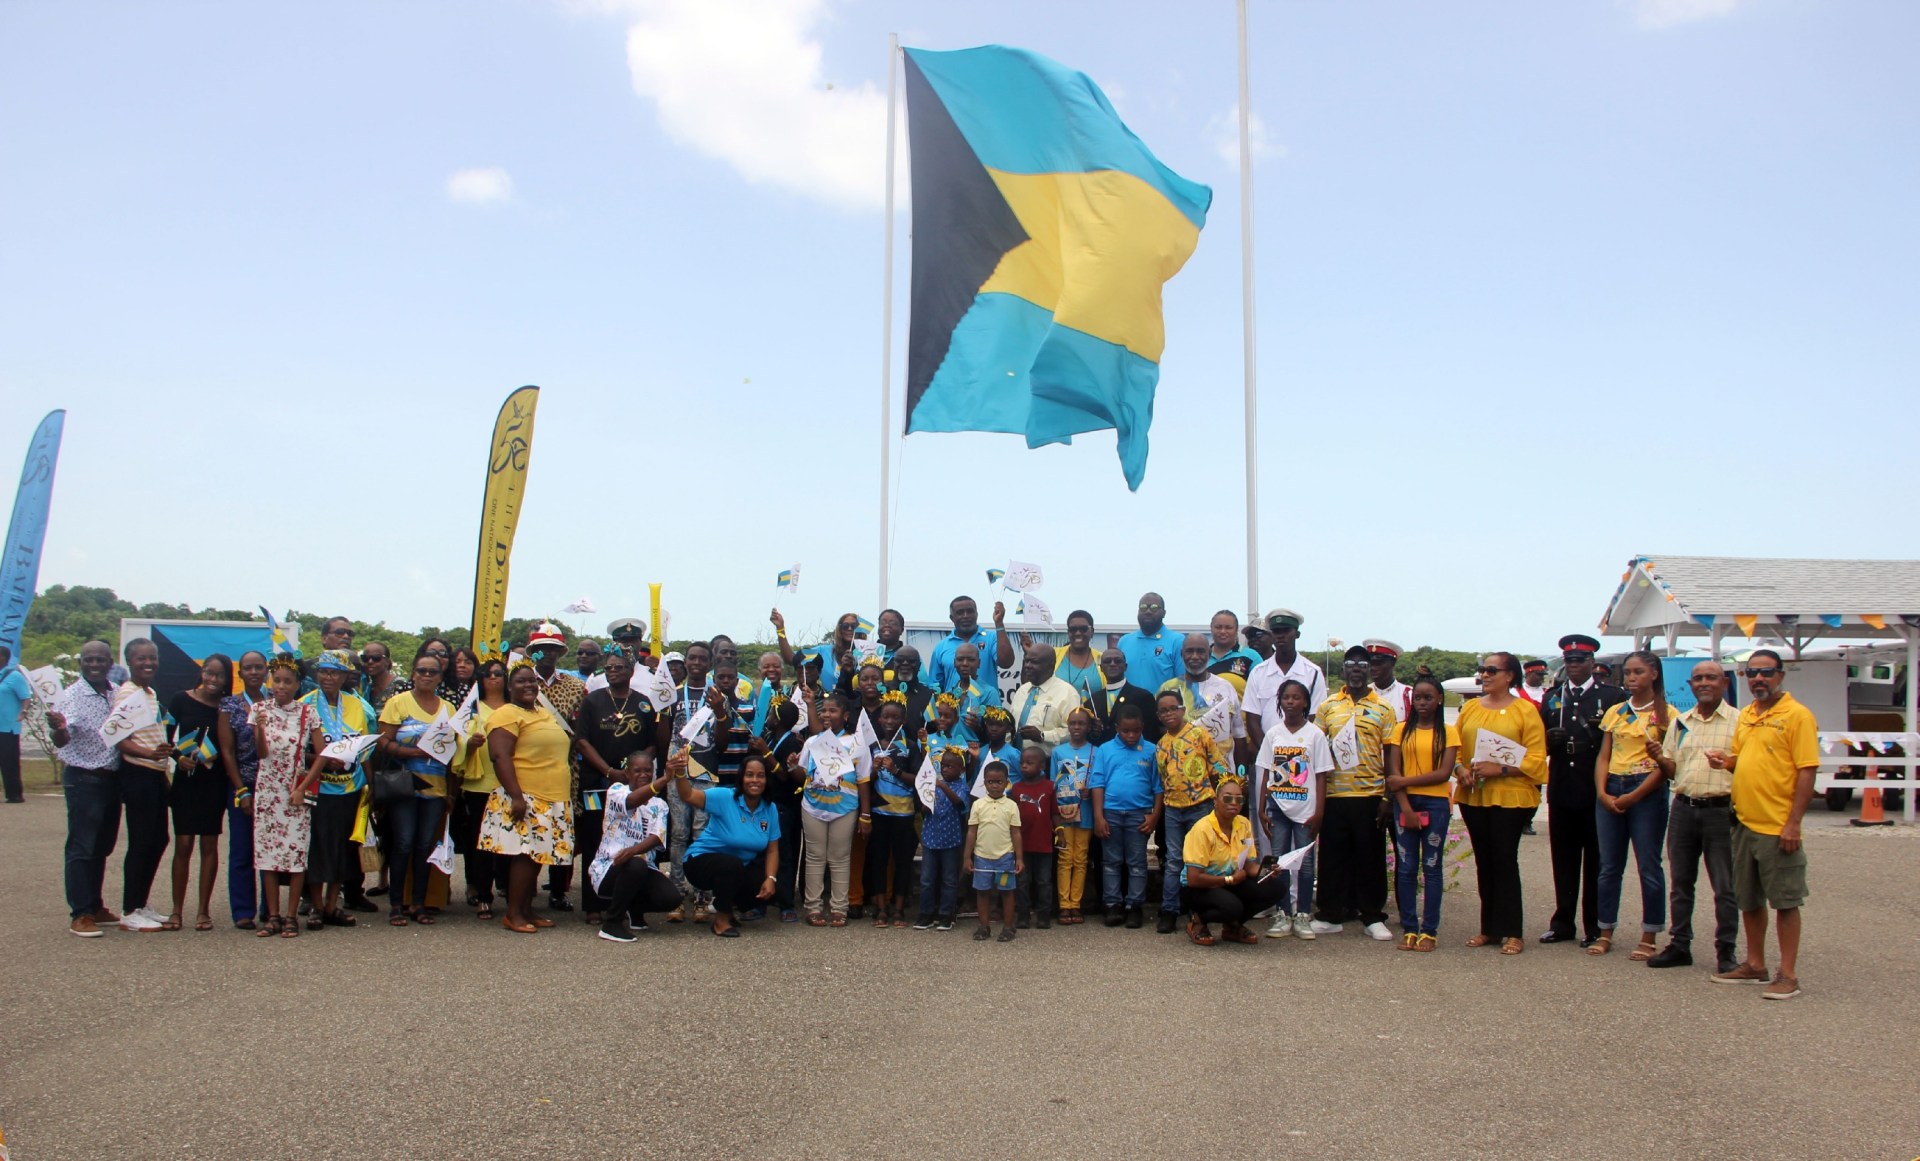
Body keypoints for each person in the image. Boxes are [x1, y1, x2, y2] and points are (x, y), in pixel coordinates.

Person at [1707, 649, 1817, 1000]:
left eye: (1766, 673)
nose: (1758, 679)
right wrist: (1725, 762)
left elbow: (1806, 770)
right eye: (1752, 673)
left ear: (1781, 675)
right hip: (1744, 824)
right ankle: (1755, 964)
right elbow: (1743, 759)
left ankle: (1788, 974)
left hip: (1777, 826)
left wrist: (1793, 824)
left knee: (1785, 902)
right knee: (1748, 899)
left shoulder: (1797, 716)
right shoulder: (1749, 715)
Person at [1647, 660, 1740, 973]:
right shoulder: (1681, 722)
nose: (1704, 683)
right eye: (1698, 678)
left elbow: (1748, 767)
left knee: (1725, 886)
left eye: (1711, 678)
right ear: (1689, 685)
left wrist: (1728, 763)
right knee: (1681, 883)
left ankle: (1726, 951)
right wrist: (1659, 758)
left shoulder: (1739, 722)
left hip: (1720, 811)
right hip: (1684, 808)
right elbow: (1674, 769)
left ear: (1724, 683)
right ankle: (1680, 944)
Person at [1455, 652, 1548, 955]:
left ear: (1510, 676)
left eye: (1492, 670)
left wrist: (1501, 768)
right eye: (1482, 670)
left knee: (1504, 859)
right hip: (1475, 796)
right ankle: (1489, 928)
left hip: (1510, 796)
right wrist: (1461, 770)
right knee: (1484, 860)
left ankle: (1512, 930)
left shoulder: (1525, 710)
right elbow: (1455, 750)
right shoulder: (1469, 708)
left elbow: (1536, 758)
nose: (1485, 675)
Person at [1539, 633, 1625, 947]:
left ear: (1592, 663)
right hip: (1562, 786)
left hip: (1594, 788)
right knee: (1563, 859)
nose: (1573, 666)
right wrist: (1550, 739)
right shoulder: (1553, 697)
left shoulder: (1613, 696)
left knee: (1596, 861)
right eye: (1569, 661)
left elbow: (1620, 743)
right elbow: (1537, 742)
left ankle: (1593, 925)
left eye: (1580, 660)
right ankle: (1563, 922)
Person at [481, 661, 578, 934]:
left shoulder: (541, 711)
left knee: (537, 856)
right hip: (526, 794)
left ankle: (526, 909)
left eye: (532, 681)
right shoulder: (506, 714)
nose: (528, 686)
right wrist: (516, 796)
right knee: (524, 856)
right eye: (521, 681)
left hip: (552, 796)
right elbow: (499, 757)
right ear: (509, 686)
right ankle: (514, 914)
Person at [1591, 649, 1675, 960]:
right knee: (1609, 866)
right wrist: (1602, 792)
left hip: (1646, 791)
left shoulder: (1668, 717)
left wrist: (1633, 797)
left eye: (1638, 672)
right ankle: (1605, 931)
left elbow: (1667, 767)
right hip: (1612, 785)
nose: (1631, 678)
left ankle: (1650, 933)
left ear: (1654, 674)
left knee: (1648, 865)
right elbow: (1604, 755)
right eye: (1627, 672)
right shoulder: (1616, 712)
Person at [1312, 646, 1398, 941]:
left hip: (1370, 794)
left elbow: (1391, 755)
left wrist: (1388, 796)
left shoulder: (1384, 708)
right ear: (1344, 669)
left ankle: (1372, 915)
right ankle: (1331, 913)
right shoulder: (1328, 706)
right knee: (1333, 856)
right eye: (1351, 663)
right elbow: (1316, 748)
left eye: (1363, 663)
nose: (1357, 668)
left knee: (1370, 856)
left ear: (1370, 669)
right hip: (1335, 793)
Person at [573, 647, 659, 925]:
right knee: (595, 839)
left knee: (631, 841)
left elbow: (653, 743)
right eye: (608, 668)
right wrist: (610, 771)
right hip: (597, 783)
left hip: (634, 788)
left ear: (631, 672)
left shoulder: (644, 703)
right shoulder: (593, 701)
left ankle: (630, 904)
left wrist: (635, 772)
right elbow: (582, 741)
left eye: (618, 667)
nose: (612, 671)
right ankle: (593, 904)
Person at [49, 640, 125, 936]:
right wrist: (58, 728)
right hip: (84, 780)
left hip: (111, 780)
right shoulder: (71, 697)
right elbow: (61, 739)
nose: (94, 665)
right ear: (81, 662)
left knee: (102, 847)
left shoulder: (117, 693)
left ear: (110, 663)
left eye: (100, 660)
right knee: (81, 846)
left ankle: (95, 905)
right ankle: (80, 913)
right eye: (88, 660)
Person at [301, 649, 378, 929]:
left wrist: (371, 785)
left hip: (351, 787)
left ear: (345, 676)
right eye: (323, 671)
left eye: (334, 672)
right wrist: (321, 760)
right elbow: (296, 752)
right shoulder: (305, 704)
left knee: (344, 849)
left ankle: (333, 905)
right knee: (318, 848)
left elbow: (366, 748)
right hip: (320, 790)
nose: (328, 677)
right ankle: (316, 907)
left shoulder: (358, 706)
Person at [375, 652, 454, 926]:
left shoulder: (449, 708)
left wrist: (452, 793)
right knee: (404, 843)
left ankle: (419, 903)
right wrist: (413, 753)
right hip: (405, 785)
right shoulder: (397, 703)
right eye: (422, 670)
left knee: (424, 845)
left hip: (436, 786)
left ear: (441, 677)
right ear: (413, 674)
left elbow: (453, 751)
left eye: (433, 672)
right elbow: (382, 742)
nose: (427, 676)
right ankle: (397, 904)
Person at [1384, 675, 1459, 951]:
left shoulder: (1448, 732)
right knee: (1406, 868)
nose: (1422, 703)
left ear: (1439, 699)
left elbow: (1444, 773)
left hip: (1436, 804)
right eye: (1418, 698)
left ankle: (1429, 931)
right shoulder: (1400, 731)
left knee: (1431, 868)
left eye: (1428, 697)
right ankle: (1409, 928)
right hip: (1405, 804)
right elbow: (1394, 772)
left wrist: (1403, 782)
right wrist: (1404, 804)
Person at [1253, 679, 1333, 940]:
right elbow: (1264, 772)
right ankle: (1282, 913)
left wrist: (1320, 811)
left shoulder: (1315, 734)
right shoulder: (1274, 734)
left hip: (1306, 811)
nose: (1290, 702)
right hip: (1277, 808)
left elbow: (1321, 776)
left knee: (1306, 864)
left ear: (1306, 702)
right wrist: (1263, 808)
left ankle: (1302, 915)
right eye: (1286, 697)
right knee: (1279, 862)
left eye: (1296, 697)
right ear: (1280, 701)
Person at [249, 654, 319, 937]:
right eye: (276, 680)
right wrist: (261, 730)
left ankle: (291, 917)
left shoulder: (307, 713)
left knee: (296, 855)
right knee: (267, 855)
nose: (281, 686)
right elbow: (261, 754)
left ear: (297, 684)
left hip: (294, 792)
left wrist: (304, 787)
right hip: (267, 790)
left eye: (287, 681)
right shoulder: (258, 709)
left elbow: (321, 754)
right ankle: (273, 916)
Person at [677, 751, 783, 938]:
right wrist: (679, 773)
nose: (755, 780)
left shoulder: (770, 808)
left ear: (767, 779)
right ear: (741, 777)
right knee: (731, 865)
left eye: (760, 775)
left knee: (764, 880)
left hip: (734, 868)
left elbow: (772, 850)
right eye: (749, 775)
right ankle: (721, 920)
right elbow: (688, 796)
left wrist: (771, 879)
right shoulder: (725, 797)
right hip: (699, 862)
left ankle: (731, 909)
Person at [1153, 687, 1232, 934]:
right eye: (1163, 711)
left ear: (1182, 710)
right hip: (1174, 810)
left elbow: (1217, 766)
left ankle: (1197, 911)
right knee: (1173, 860)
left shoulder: (1199, 734)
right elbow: (1164, 779)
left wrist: (1226, 795)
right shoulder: (1161, 745)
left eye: (1173, 709)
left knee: (1198, 861)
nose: (1169, 714)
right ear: (1159, 715)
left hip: (1201, 807)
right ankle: (1169, 910)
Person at [166, 654, 233, 933]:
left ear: (228, 679)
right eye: (209, 673)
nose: (213, 679)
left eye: (219, 675)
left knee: (209, 845)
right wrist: (178, 756)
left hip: (213, 782)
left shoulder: (227, 707)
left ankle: (203, 911)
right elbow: (165, 735)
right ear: (201, 672)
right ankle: (176, 910)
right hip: (186, 780)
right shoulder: (180, 700)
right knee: (182, 845)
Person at [111, 638, 174, 931]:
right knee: (141, 842)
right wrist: (149, 754)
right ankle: (129, 909)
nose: (148, 663)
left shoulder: (148, 692)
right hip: (137, 773)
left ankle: (141, 903)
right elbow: (119, 739)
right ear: (129, 662)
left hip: (155, 773)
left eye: (152, 658)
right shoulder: (128, 693)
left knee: (159, 839)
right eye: (141, 659)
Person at [798, 689, 872, 926]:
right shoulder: (812, 741)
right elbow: (802, 772)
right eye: (824, 711)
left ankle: (839, 908)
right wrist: (792, 767)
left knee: (840, 857)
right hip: (812, 806)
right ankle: (813, 907)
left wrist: (866, 815)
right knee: (814, 857)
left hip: (845, 807)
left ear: (846, 715)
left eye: (833, 710)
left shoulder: (856, 743)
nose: (827, 714)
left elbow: (863, 781)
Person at [1179, 778, 1284, 946]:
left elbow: (1248, 865)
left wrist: (1266, 872)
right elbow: (1193, 878)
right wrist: (1229, 880)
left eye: (1239, 799)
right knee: (1232, 907)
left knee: (1276, 888)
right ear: (1216, 801)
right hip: (1200, 887)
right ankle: (1198, 920)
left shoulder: (1243, 824)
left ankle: (1232, 926)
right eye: (1228, 798)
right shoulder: (1202, 829)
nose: (1234, 803)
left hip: (1231, 881)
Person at [587, 752, 677, 942]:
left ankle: (635, 911)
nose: (643, 774)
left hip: (641, 867)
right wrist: (665, 779)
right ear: (627, 773)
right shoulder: (616, 791)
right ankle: (611, 924)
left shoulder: (659, 804)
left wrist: (634, 850)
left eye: (648, 770)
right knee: (635, 865)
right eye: (637, 771)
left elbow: (656, 837)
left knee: (671, 898)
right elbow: (632, 801)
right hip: (608, 869)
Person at [1091, 704, 1162, 928]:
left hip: (1138, 815)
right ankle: (1113, 905)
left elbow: (1159, 788)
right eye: (1125, 731)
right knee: (1111, 862)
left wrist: (1154, 817)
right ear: (1116, 728)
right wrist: (1098, 816)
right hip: (1111, 813)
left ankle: (1134, 906)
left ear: (1142, 728)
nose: (1131, 736)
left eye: (1136, 731)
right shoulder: (1105, 750)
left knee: (1137, 863)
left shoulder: (1152, 750)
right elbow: (1097, 783)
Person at [662, 640, 718, 921]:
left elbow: (722, 739)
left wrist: (720, 710)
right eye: (691, 659)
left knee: (702, 834)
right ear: (685, 662)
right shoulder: (672, 694)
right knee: (679, 834)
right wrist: (667, 768)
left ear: (709, 664)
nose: (696, 663)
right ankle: (675, 896)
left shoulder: (716, 694)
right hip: (678, 773)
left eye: (701, 659)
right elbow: (663, 733)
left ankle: (701, 896)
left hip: (707, 774)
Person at [451, 657, 508, 920]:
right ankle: (483, 895)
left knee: (508, 840)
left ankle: (508, 888)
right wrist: (470, 744)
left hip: (510, 784)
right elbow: (458, 741)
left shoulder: (514, 706)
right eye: (488, 673)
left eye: (498, 673)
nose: (494, 677)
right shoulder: (472, 708)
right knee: (481, 842)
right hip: (480, 783)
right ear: (480, 679)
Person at [217, 650, 269, 929]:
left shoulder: (277, 700)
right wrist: (240, 790)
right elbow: (227, 751)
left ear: (266, 670)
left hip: (272, 786)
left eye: (258, 667)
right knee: (242, 848)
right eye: (248, 668)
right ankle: (243, 911)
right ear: (240, 673)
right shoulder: (230, 705)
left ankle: (268, 907)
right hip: (242, 784)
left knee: (268, 848)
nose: (253, 672)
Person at [863, 694, 920, 927]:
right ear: (878, 719)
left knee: (903, 862)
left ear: (903, 721)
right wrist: (874, 770)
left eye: (895, 717)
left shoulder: (911, 747)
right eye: (885, 716)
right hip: (879, 814)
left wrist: (895, 770)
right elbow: (864, 781)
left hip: (904, 814)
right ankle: (880, 908)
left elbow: (917, 780)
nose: (890, 721)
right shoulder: (872, 747)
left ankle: (898, 909)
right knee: (878, 861)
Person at [1242, 609, 1328, 758]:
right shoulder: (1258, 673)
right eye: (1276, 631)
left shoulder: (1313, 673)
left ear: (1297, 634)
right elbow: (1252, 720)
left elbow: (1316, 718)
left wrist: (1295, 753)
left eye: (1286, 630)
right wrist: (1271, 753)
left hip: (1303, 757)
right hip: (1266, 757)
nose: (1281, 635)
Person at [1160, 632, 1247, 771]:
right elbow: (1160, 732)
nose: (1195, 656)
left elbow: (1239, 734)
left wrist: (1243, 773)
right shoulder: (1168, 688)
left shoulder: (1225, 687)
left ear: (1209, 653)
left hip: (1221, 773)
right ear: (1182, 654)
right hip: (1181, 775)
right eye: (1189, 651)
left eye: (1200, 651)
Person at [913, 743, 971, 931]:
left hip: (951, 841)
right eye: (943, 766)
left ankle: (947, 914)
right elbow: (923, 810)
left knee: (949, 879)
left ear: (961, 769)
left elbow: (959, 803)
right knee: (927, 879)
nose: (945, 769)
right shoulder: (934, 784)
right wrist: (925, 801)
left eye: (950, 766)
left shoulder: (961, 786)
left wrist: (942, 787)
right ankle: (926, 913)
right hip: (930, 839)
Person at [964, 760, 1024, 942]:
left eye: (999, 782)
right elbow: (972, 831)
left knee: (1007, 892)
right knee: (982, 892)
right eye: (990, 782)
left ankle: (1008, 927)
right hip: (982, 858)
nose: (995, 786)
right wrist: (967, 856)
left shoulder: (1011, 806)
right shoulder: (978, 805)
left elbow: (1016, 833)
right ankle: (984, 926)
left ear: (1006, 783)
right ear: (984, 783)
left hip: (1005, 857)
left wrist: (1019, 858)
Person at [1050, 707, 1096, 924]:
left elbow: (1099, 782)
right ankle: (1063, 905)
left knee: (1081, 858)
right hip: (1064, 812)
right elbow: (1053, 784)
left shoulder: (1096, 751)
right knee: (1065, 858)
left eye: (1081, 723)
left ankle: (1075, 904)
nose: (1077, 727)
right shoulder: (1059, 752)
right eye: (1073, 723)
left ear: (1088, 726)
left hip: (1085, 812)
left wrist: (1091, 790)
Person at [925, 595, 1014, 693]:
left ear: (976, 614)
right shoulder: (941, 647)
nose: (965, 616)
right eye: (960, 613)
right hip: (954, 707)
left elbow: (1006, 663)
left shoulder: (991, 638)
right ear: (952, 618)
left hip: (987, 706)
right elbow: (934, 687)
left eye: (970, 611)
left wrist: (999, 623)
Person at [1010, 746, 1056, 928]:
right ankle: (1023, 915)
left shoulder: (1050, 786)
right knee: (1022, 881)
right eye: (1022, 763)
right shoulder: (1016, 788)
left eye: (1029, 763)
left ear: (1042, 765)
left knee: (1044, 881)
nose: (1024, 766)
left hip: (1044, 843)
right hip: (1022, 844)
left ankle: (1044, 915)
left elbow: (1055, 813)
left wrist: (1060, 831)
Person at [1006, 642, 1080, 755]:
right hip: (1015, 761)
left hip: (1048, 764)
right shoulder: (1022, 690)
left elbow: (1074, 731)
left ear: (1051, 665)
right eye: (1026, 661)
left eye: (1034, 662)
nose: (1028, 666)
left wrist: (1042, 736)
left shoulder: (1067, 693)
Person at [770, 608, 862, 690]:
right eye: (845, 626)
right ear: (840, 629)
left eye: (854, 626)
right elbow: (790, 658)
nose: (850, 629)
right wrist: (780, 628)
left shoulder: (867, 653)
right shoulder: (824, 651)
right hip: (830, 706)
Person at [1086, 647, 1158, 746]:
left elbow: (1152, 734)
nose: (1112, 664)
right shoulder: (1092, 701)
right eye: (1107, 661)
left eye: (1117, 661)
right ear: (1101, 668)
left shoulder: (1143, 697)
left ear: (1125, 666)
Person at [1116, 591, 1178, 692]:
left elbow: (1184, 684)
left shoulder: (1177, 641)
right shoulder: (1124, 641)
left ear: (1164, 613)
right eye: (1143, 607)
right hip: (1128, 706)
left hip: (1162, 707)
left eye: (1154, 607)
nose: (1148, 611)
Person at [1204, 610, 1262, 692]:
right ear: (1211, 628)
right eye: (1218, 627)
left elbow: (1261, 689)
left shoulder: (1252, 656)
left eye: (1228, 627)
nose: (1223, 631)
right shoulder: (1201, 657)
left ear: (1236, 630)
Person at [0, 645, 30, 803]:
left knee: (8, 761)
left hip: (8, 726)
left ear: (4, 657)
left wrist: (23, 711)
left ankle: (14, 794)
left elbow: (25, 696)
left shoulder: (14, 676)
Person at [1053, 610, 1103, 700]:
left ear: (1092, 632)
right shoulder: (1053, 655)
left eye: (1083, 629)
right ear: (1068, 632)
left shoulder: (1102, 659)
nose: (1078, 633)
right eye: (1073, 629)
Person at [1364, 639, 1412, 723]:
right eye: (1370, 664)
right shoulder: (1363, 694)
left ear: (1392, 663)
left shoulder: (1409, 695)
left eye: (1378, 664)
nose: (1373, 668)